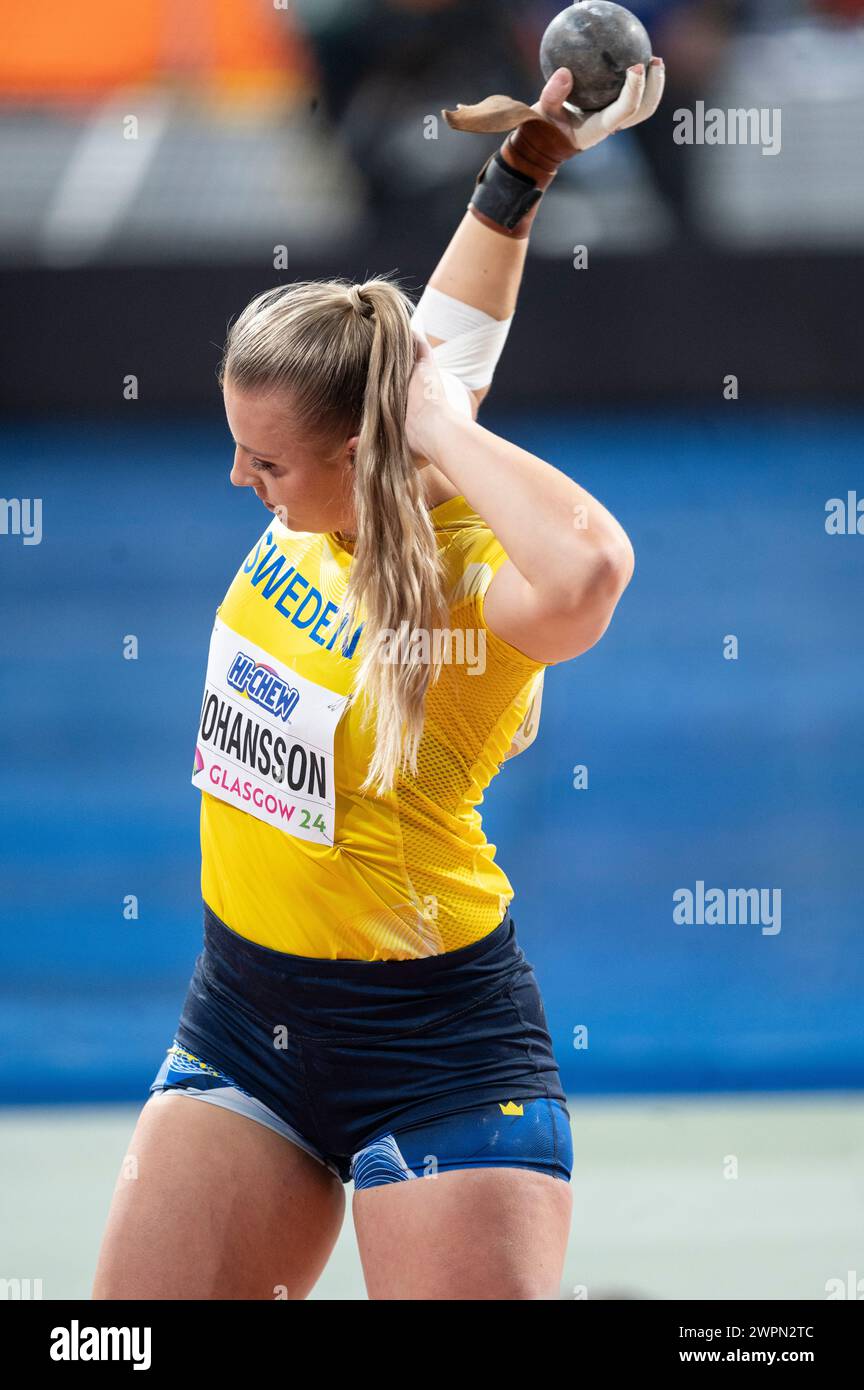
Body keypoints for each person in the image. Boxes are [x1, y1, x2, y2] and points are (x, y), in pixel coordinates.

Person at [92, 58, 664, 1302]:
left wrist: (447, 423)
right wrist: (524, 168)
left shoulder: (471, 588)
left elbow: (593, 569)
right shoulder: (321, 500)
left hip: (440, 1053)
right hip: (243, 1020)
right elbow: (448, 317)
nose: (244, 486)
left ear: (364, 447)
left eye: (266, 462)